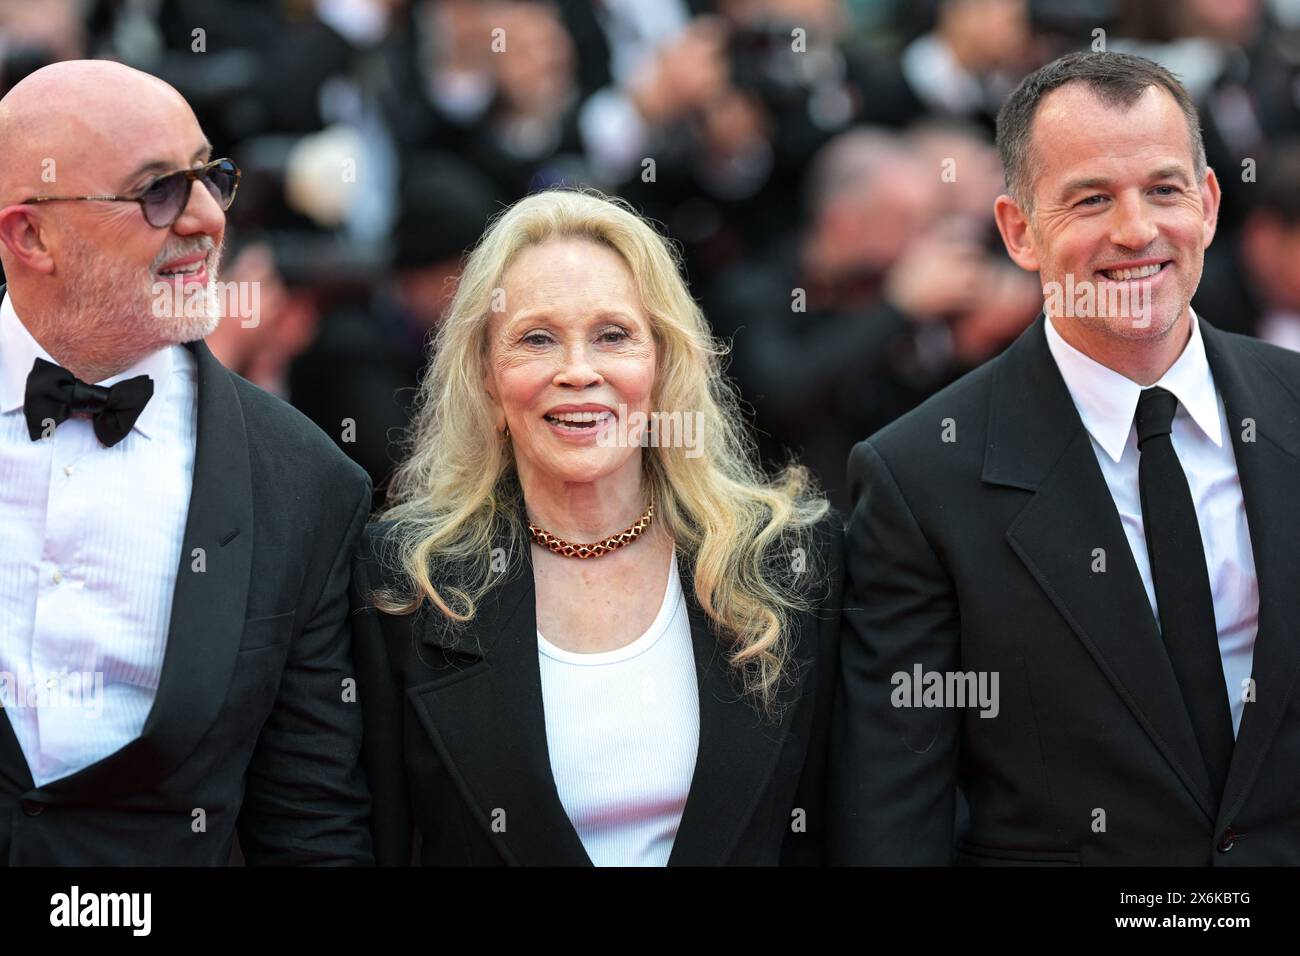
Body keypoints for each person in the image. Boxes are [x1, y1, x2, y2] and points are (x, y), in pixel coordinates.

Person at [831, 51, 1300, 865]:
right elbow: (893, 813)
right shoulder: (920, 480)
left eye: (1163, 189)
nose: (1136, 230)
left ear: (1210, 203)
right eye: (1091, 199)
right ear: (1018, 231)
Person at [352, 188, 843, 866]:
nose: (578, 371)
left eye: (613, 336)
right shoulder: (405, 584)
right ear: (488, 382)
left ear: (664, 367)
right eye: (536, 339)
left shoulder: (785, 560)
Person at [0, 61, 372, 865]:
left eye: (213, 177)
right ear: (30, 235)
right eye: (157, 191)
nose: (206, 218)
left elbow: (310, 821)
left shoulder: (306, 482)